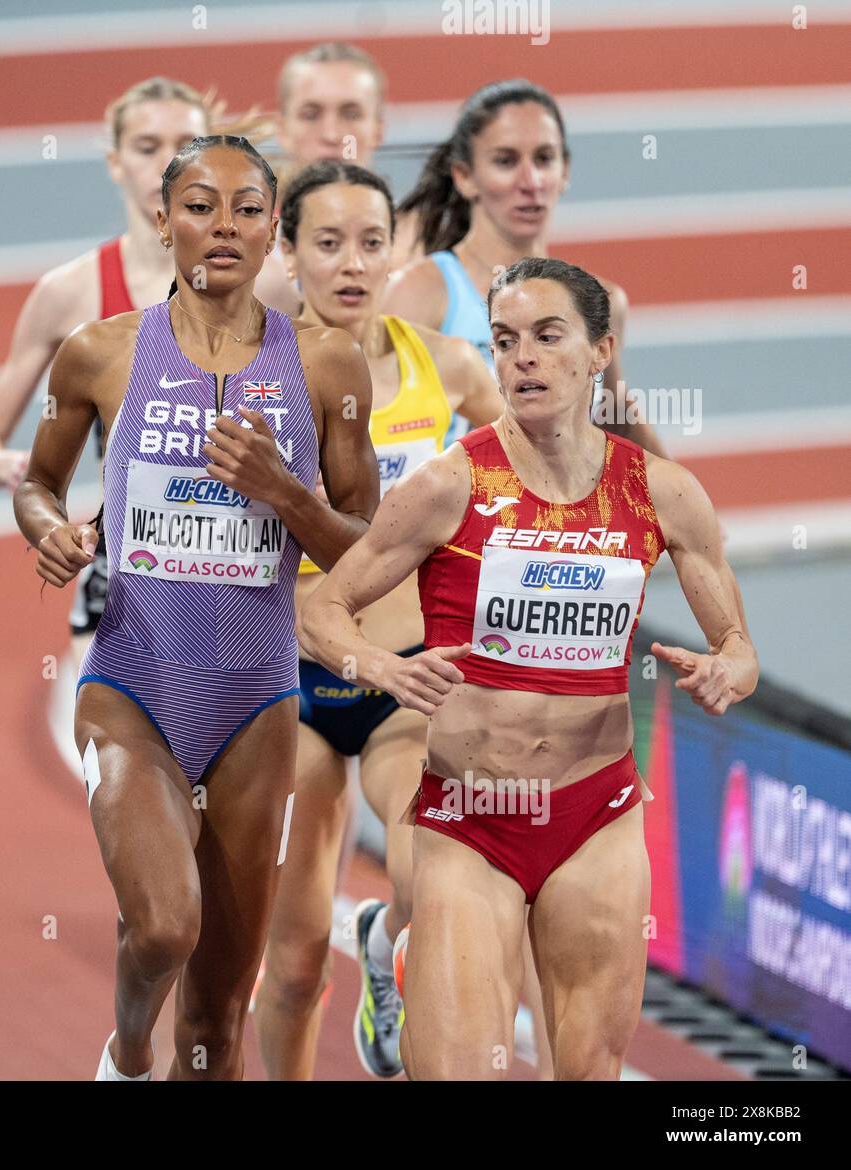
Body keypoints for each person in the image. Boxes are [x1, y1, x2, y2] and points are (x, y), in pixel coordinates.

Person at [301, 256, 757, 1080]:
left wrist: (729, 667)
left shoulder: (661, 492)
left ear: (598, 352)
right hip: (470, 818)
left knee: (586, 1073)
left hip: (598, 814)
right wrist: (374, 662)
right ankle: (410, 966)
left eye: (549, 338)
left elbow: (740, 648)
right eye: (507, 341)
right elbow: (319, 610)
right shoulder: (448, 484)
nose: (524, 359)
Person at [14, 136, 379, 1080]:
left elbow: (368, 554)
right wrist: (49, 529)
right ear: (163, 218)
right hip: (134, 684)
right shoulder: (101, 352)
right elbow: (37, 483)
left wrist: (285, 494)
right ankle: (127, 1055)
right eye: (200, 206)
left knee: (219, 1024)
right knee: (165, 929)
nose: (223, 227)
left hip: (258, 704)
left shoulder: (330, 369)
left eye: (248, 208)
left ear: (274, 233)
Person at [248, 160, 500, 1080]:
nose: (352, 263)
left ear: (398, 251)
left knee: (425, 884)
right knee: (295, 956)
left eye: (371, 242)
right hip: (290, 685)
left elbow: (518, 483)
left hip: (406, 677)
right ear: (288, 252)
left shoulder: (452, 368)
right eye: (326, 243)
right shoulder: (255, 376)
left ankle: (386, 950)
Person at [0, 78, 214, 647]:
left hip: (237, 565)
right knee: (115, 738)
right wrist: (15, 469)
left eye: (186, 144)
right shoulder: (69, 293)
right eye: (147, 146)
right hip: (125, 573)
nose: (167, 162)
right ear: (115, 162)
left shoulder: (266, 282)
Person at [384, 79, 665, 458]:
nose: (530, 182)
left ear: (564, 171)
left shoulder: (602, 300)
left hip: (567, 515)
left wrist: (690, 508)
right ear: (465, 177)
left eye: (544, 159)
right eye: (505, 161)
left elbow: (615, 419)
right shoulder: (422, 293)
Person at [255, 41, 388, 316]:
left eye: (350, 114)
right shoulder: (248, 260)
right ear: (282, 130)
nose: (331, 134)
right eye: (311, 114)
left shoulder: (418, 257)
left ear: (377, 128)